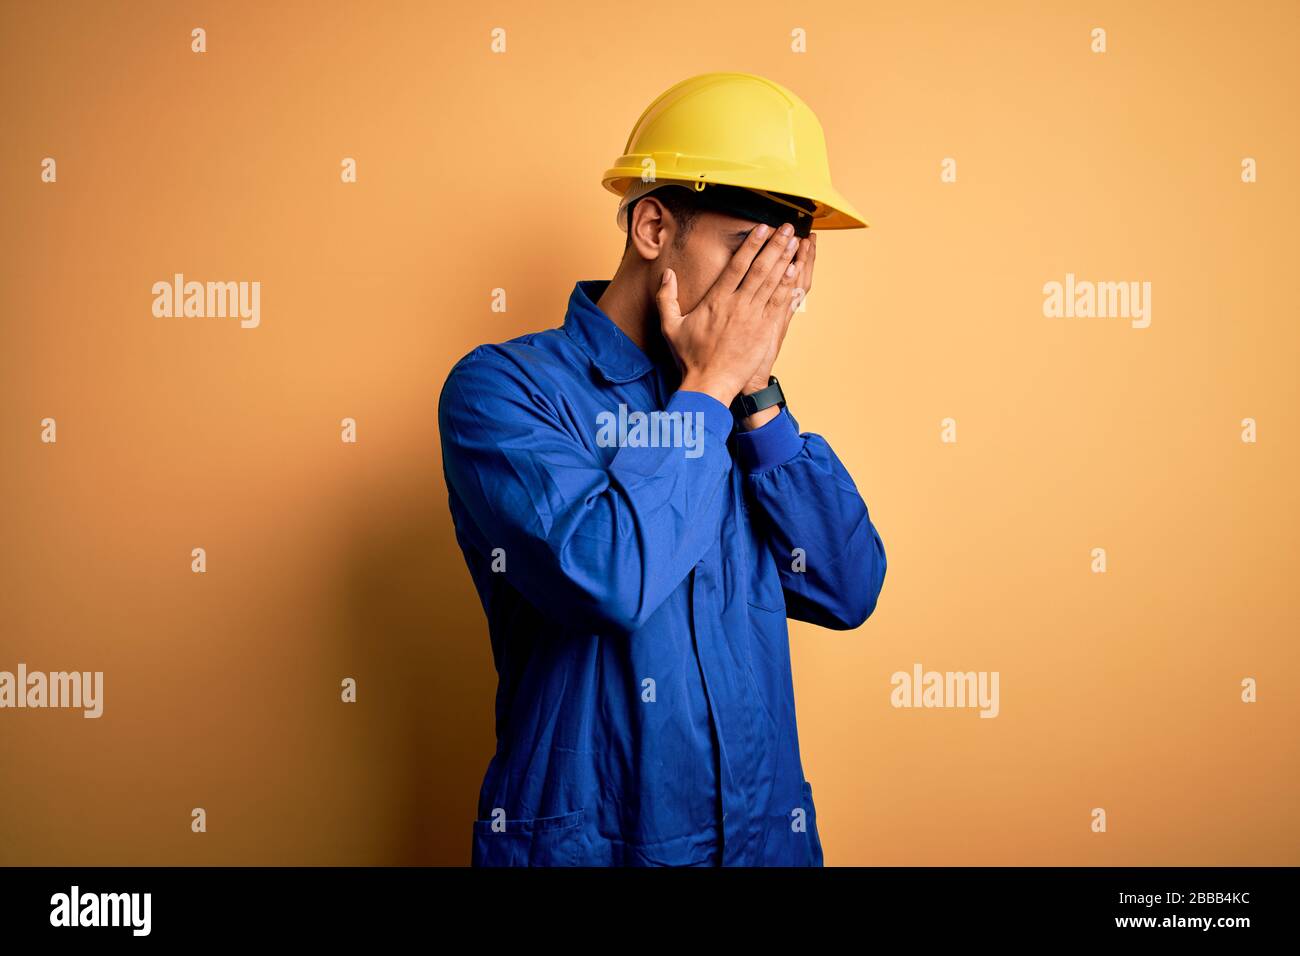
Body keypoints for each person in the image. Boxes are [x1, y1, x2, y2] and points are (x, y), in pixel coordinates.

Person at [437, 72, 886, 866]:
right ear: (653, 226)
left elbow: (847, 588)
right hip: (592, 845)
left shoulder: (742, 414)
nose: (770, 289)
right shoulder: (504, 390)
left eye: (790, 260)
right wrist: (709, 386)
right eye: (752, 249)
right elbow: (606, 576)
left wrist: (753, 395)